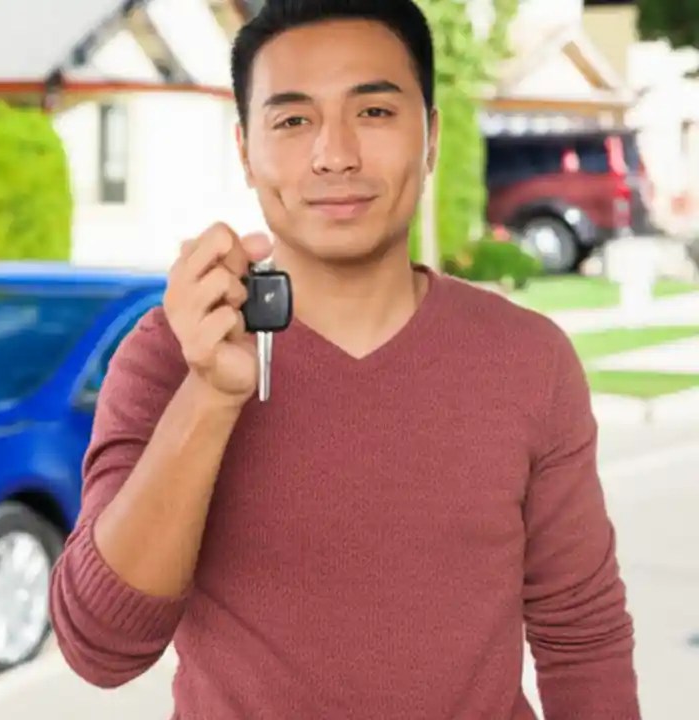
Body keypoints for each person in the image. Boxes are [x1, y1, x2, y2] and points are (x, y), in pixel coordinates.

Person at [46, 1, 641, 718]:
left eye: (375, 112)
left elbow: (581, 638)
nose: (334, 154)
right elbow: (101, 648)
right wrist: (209, 395)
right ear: (245, 151)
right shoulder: (171, 353)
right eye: (292, 121)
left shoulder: (527, 359)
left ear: (431, 137)